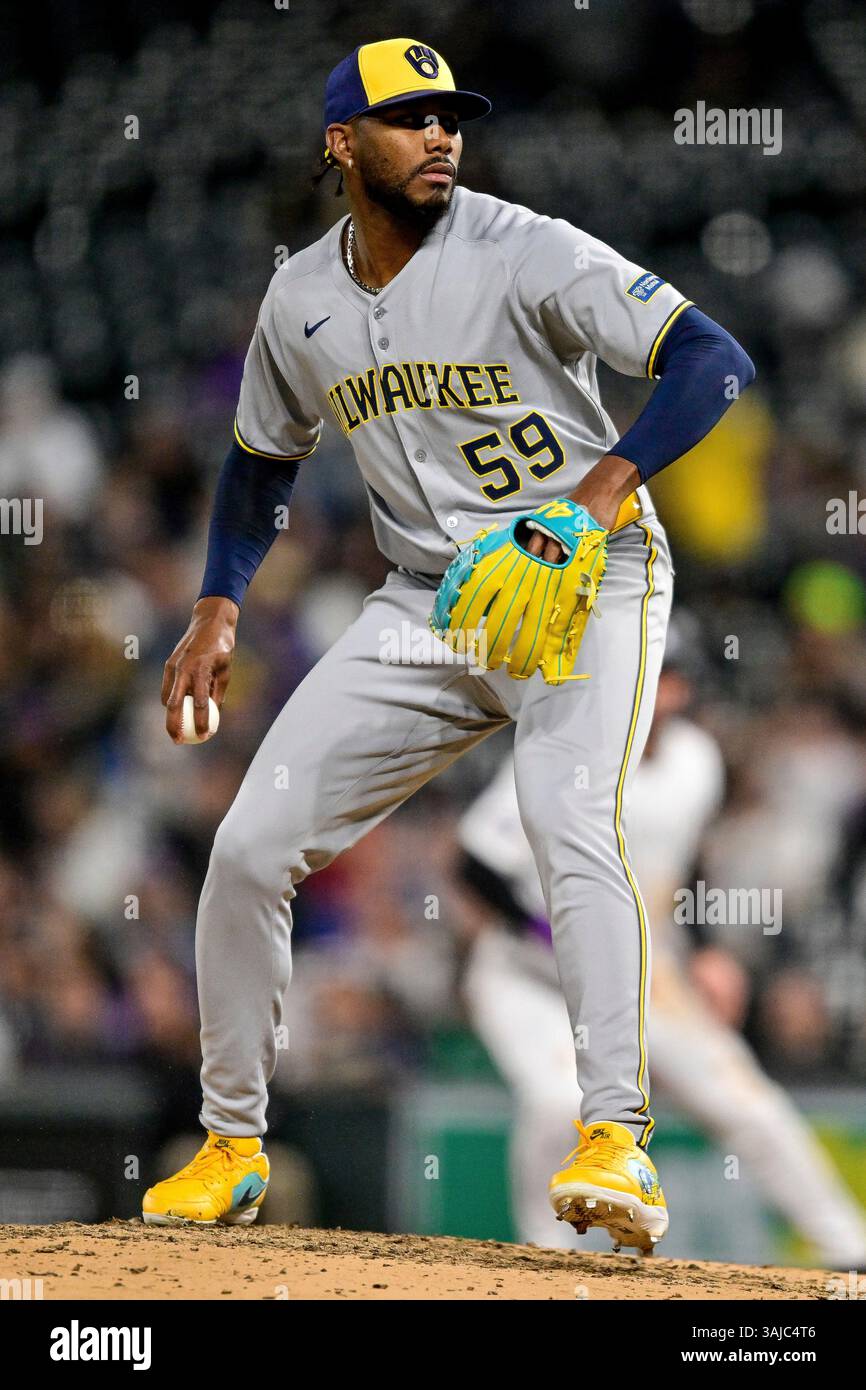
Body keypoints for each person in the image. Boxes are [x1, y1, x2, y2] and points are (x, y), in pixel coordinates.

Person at [144, 38, 754, 1250]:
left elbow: (713, 360)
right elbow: (261, 459)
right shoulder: (299, 296)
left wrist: (595, 497)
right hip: (427, 601)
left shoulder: (527, 248)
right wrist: (217, 604)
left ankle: (613, 1136)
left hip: (584, 577)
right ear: (341, 143)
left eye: (449, 116)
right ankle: (231, 1144)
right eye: (407, 116)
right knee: (249, 846)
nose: (439, 135)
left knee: (566, 820)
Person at [458, 620, 866, 1267]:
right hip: (533, 979)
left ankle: (848, 1249)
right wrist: (557, 936)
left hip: (645, 978)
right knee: (560, 1103)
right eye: (648, 675)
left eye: (670, 678)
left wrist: (707, 950)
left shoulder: (695, 761)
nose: (659, 691)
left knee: (750, 1105)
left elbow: (685, 862)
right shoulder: (564, 751)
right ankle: (550, 1260)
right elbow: (476, 863)